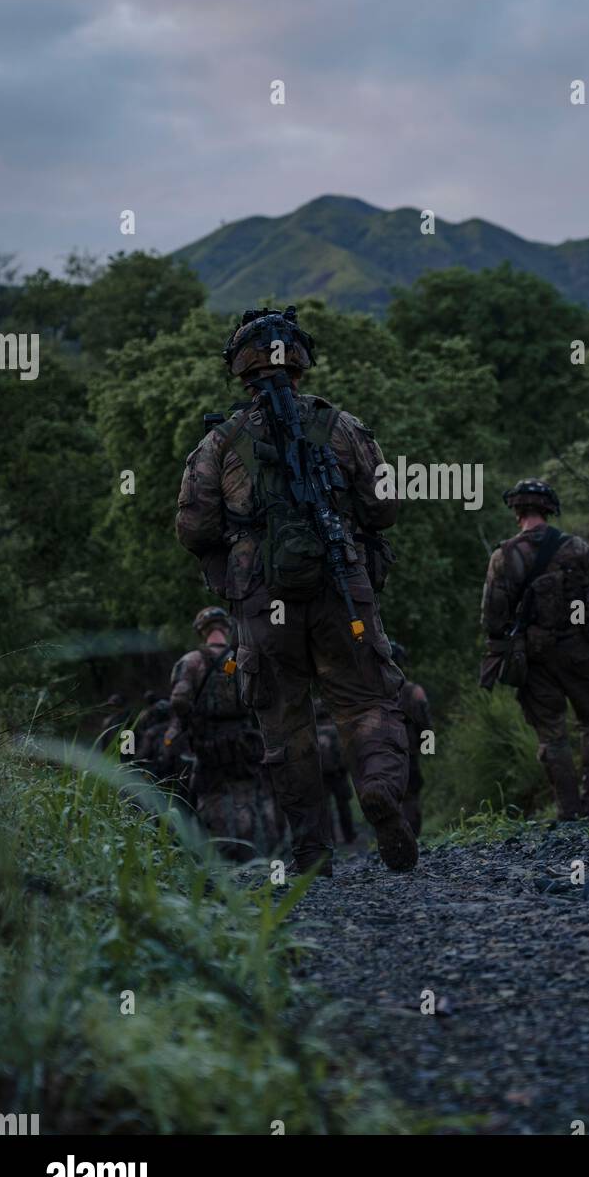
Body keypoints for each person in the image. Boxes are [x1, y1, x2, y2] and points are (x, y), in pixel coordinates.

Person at [175, 305, 415, 875]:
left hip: (261, 597)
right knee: (366, 701)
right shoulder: (343, 426)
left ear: (240, 369)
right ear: (303, 363)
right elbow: (385, 507)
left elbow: (192, 528)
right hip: (340, 583)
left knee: (284, 721)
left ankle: (311, 849)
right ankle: (379, 787)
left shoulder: (219, 442)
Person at [480, 479, 589, 819]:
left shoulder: (504, 556)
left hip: (534, 658)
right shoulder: (577, 548)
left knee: (552, 735)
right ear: (549, 509)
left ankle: (568, 812)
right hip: (579, 651)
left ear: (516, 511)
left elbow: (492, 618)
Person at [169, 606, 280, 860]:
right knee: (248, 800)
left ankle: (223, 862)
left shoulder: (190, 662)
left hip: (208, 745)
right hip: (244, 743)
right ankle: (257, 859)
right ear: (226, 628)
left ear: (201, 630)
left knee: (211, 800)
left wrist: (190, 726)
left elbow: (179, 701)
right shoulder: (245, 660)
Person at [389, 642, 432, 837]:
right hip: (408, 752)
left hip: (381, 754)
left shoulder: (371, 696)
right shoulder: (413, 691)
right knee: (410, 796)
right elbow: (425, 724)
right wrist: (427, 750)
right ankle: (413, 838)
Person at [315, 698, 357, 845]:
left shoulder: (313, 732)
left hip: (321, 776)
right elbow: (346, 752)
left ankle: (330, 838)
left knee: (326, 809)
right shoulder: (337, 729)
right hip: (339, 774)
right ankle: (349, 836)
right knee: (344, 806)